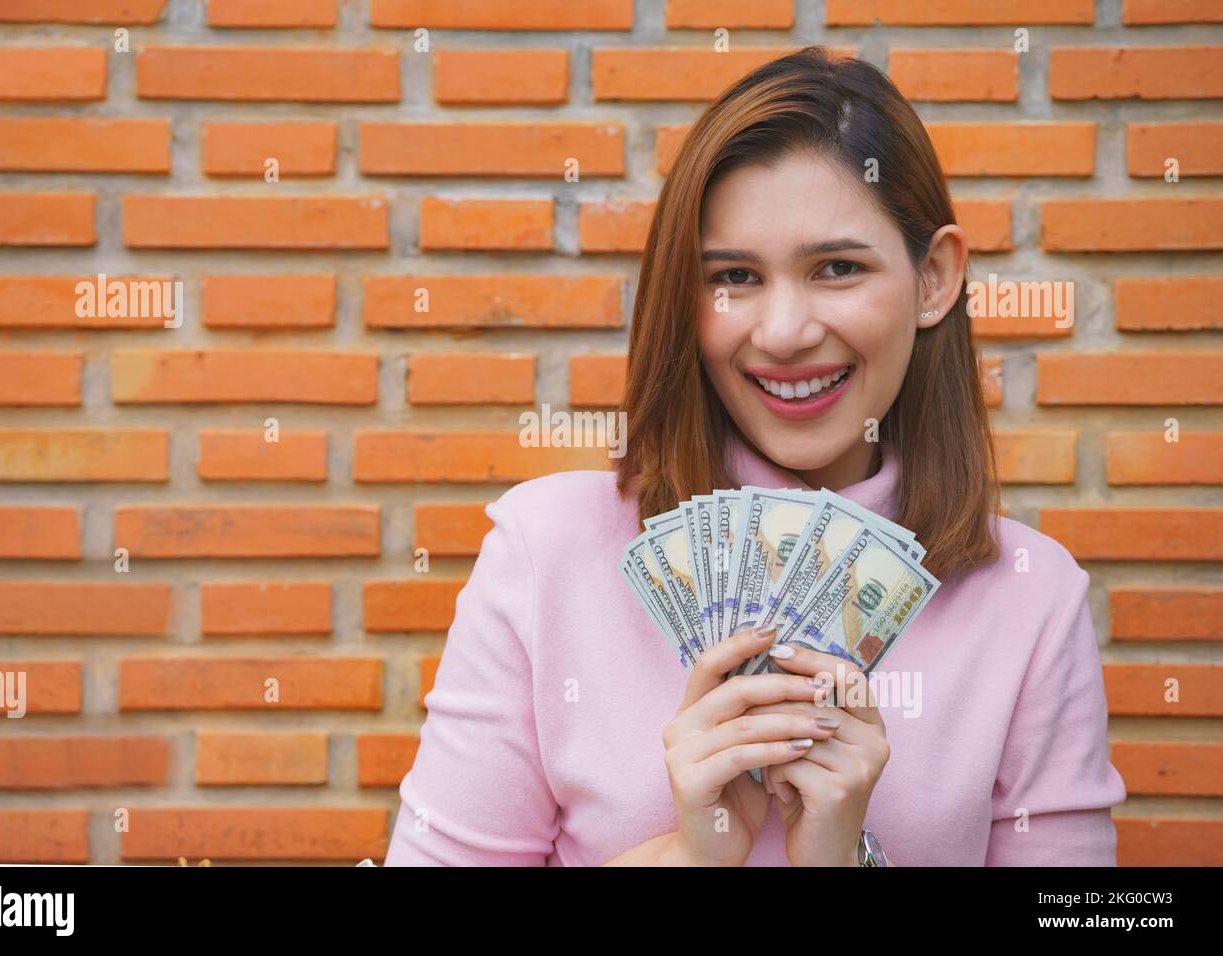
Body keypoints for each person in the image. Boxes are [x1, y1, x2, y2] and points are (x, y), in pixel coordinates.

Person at [383, 47, 1126, 867]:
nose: (782, 332)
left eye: (837, 267)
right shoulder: (544, 551)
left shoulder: (1031, 598)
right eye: (735, 276)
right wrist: (688, 859)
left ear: (934, 279)